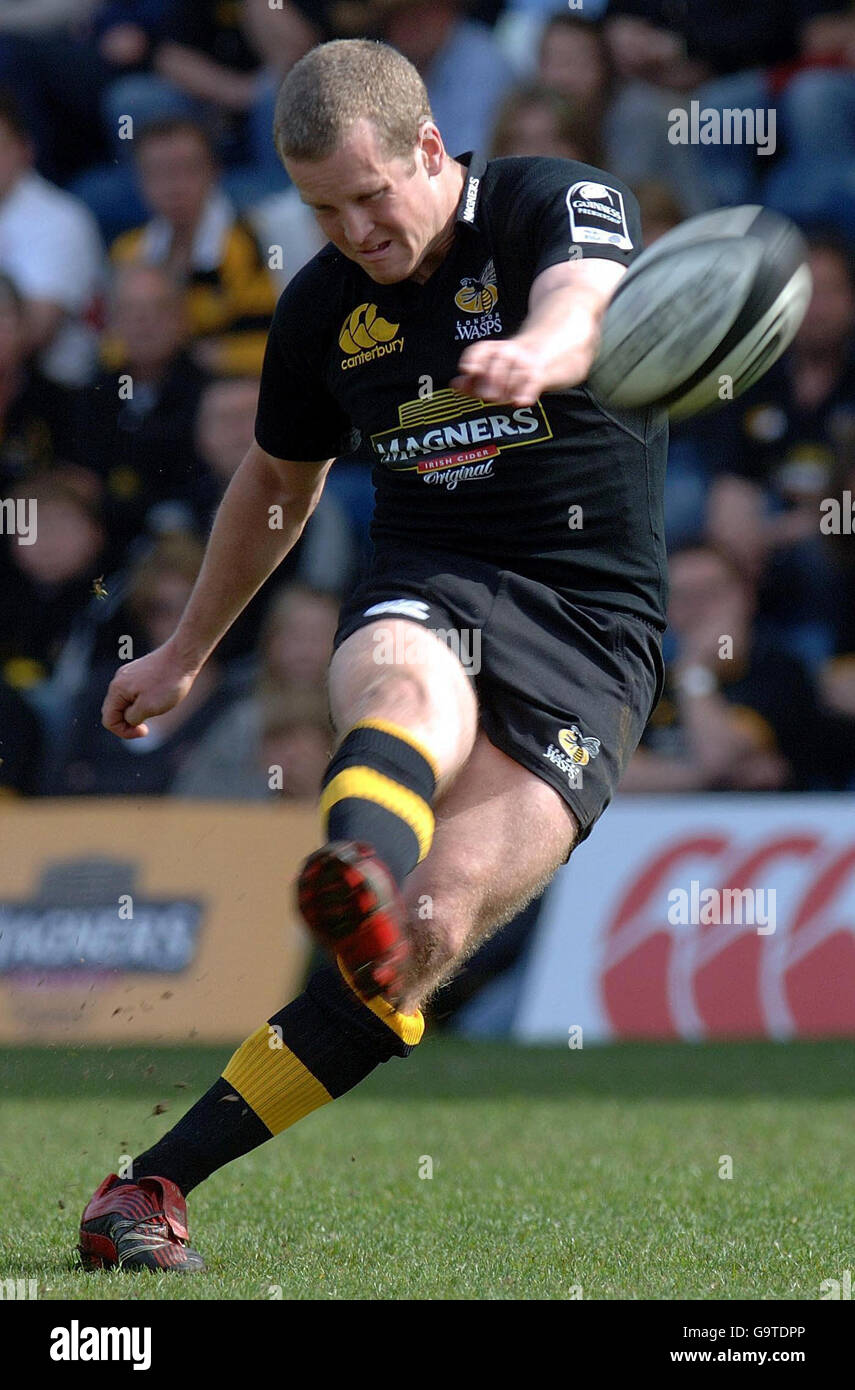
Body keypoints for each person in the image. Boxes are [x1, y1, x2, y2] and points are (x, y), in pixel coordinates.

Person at [77, 37, 667, 1272]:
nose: (354, 230)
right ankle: (352, 868)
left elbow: (584, 303)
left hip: (595, 628)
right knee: (404, 686)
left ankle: (151, 1174)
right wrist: (187, 648)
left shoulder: (549, 199)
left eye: (369, 197)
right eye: (321, 210)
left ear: (430, 149)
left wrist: (538, 357)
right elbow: (280, 482)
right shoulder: (322, 309)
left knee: (435, 928)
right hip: (430, 577)